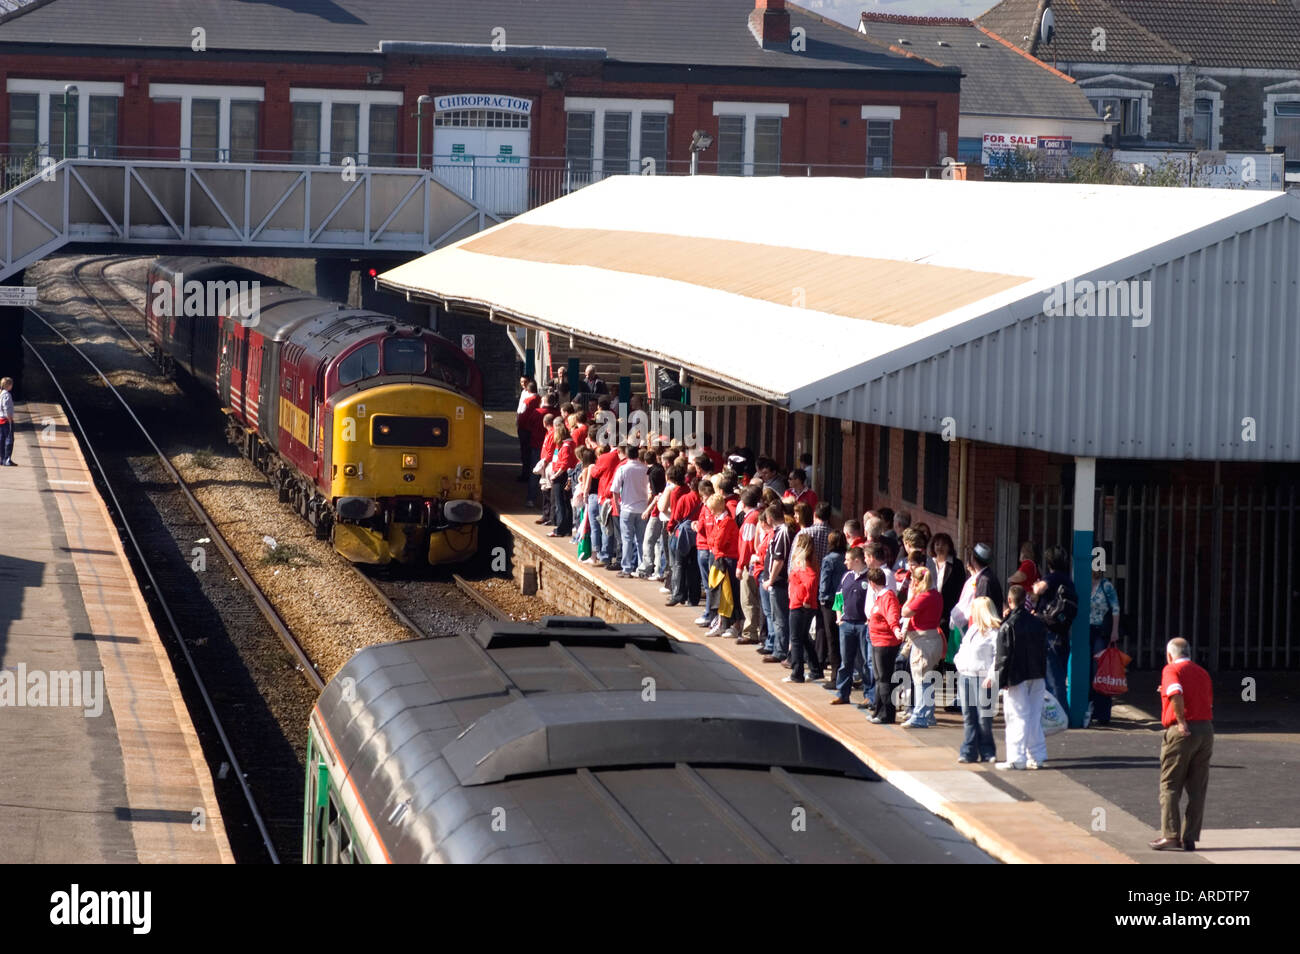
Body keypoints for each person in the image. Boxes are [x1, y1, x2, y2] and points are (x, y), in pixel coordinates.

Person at [1151, 637, 1214, 852]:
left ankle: (1170, 834)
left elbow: (1176, 692)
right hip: (1205, 730)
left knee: (1169, 785)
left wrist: (1180, 721)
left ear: (1170, 655)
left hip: (1182, 732)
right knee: (1197, 787)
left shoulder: (1170, 670)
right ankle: (1190, 836)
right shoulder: (1202, 672)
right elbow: (1205, 700)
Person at [993, 585, 1049, 770]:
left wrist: (1001, 681)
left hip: (1016, 675)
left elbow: (1003, 657)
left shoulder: (1007, 625)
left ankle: (1017, 758)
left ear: (1010, 601)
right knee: (1034, 715)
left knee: (1016, 716)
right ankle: (1037, 755)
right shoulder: (1037, 622)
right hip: (1037, 673)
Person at [1031, 545, 1077, 711]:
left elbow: (1038, 589)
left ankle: (1061, 716)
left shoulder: (1053, 577)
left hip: (1050, 634)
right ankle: (1058, 713)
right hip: (1062, 634)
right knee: (1059, 675)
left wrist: (1036, 585)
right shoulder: (1068, 579)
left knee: (1053, 679)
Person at [954, 597, 1000, 763]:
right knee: (968, 716)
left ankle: (987, 751)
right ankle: (968, 751)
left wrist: (991, 676)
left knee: (983, 718)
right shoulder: (973, 629)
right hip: (966, 676)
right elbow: (962, 649)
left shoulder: (994, 633)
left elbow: (998, 656)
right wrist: (959, 662)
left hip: (983, 679)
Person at [900, 566, 945, 728]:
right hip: (932, 639)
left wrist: (911, 596)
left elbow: (905, 612)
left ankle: (920, 715)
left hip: (923, 641)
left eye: (913, 580)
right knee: (927, 677)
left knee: (920, 678)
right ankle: (928, 714)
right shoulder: (936, 595)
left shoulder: (924, 596)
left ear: (918, 581)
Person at [831, 546, 872, 706]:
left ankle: (869, 694)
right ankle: (842, 693)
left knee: (865, 663)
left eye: (847, 559)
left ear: (856, 560)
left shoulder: (869, 577)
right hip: (846, 624)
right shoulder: (846, 576)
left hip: (862, 624)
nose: (845, 562)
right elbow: (838, 597)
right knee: (846, 661)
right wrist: (839, 617)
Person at [783, 535, 822, 683]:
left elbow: (811, 580)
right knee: (804, 637)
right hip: (805, 604)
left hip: (800, 605)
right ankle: (815, 669)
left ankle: (797, 673)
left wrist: (804, 599)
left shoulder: (803, 562)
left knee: (796, 639)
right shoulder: (810, 561)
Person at [864, 566, 901, 723]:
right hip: (877, 641)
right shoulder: (880, 597)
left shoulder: (888, 597)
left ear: (872, 583)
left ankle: (887, 714)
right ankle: (879, 711)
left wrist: (895, 628)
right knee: (880, 678)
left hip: (885, 643)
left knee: (884, 679)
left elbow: (892, 615)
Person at [1088, 562, 1122, 725]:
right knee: (1087, 671)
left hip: (1101, 632)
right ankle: (1089, 708)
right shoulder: (1083, 584)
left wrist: (1114, 631)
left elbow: (1115, 609)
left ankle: (1102, 712)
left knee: (1100, 671)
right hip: (1086, 631)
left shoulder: (1106, 586)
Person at [706, 492, 741, 638]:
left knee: (729, 594)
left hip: (728, 560)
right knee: (721, 594)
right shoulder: (718, 521)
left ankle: (732, 625)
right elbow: (711, 540)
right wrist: (713, 542)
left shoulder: (726, 522)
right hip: (721, 558)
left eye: (712, 509)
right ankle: (722, 623)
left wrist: (713, 543)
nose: (711, 512)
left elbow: (717, 542)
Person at [760, 503, 792, 664]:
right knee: (776, 616)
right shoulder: (780, 532)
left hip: (779, 583)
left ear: (770, 518)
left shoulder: (782, 532)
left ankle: (780, 650)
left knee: (779, 618)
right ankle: (780, 648)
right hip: (776, 582)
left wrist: (771, 579)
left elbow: (779, 559)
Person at [611, 443, 649, 579]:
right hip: (642, 508)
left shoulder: (622, 469)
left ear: (627, 454)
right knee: (641, 539)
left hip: (627, 508)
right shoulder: (645, 469)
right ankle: (641, 567)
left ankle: (626, 568)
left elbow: (615, 490)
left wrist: (617, 506)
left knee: (626, 539)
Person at [666, 468, 702, 607]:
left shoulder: (685, 498)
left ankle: (678, 594)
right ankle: (693, 598)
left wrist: (670, 528)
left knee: (679, 564)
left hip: (683, 535)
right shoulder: (703, 501)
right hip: (698, 536)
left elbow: (675, 517)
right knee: (694, 567)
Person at [736, 485, 766, 646]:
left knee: (747, 599)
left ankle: (750, 631)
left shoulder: (750, 520)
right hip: (757, 563)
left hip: (749, 564)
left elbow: (747, 545)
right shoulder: (759, 514)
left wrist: (740, 566)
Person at [818, 530, 847, 689]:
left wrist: (822, 598)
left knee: (832, 639)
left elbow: (824, 581)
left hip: (831, 600)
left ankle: (835, 676)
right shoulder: (846, 558)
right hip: (844, 598)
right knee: (843, 639)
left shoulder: (829, 559)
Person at [546, 423, 577, 538]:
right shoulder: (570, 444)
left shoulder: (566, 446)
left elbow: (564, 464)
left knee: (560, 504)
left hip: (560, 477)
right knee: (565, 503)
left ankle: (560, 529)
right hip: (564, 476)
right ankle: (566, 528)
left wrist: (556, 475)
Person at [1, 376, 16, 467]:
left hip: (0, 420)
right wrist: (10, 418)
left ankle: (1, 458)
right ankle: (7, 459)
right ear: (9, 385)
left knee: (1, 439)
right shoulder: (7, 395)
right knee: (9, 439)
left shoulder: (1, 393)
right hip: (6, 420)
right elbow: (6, 407)